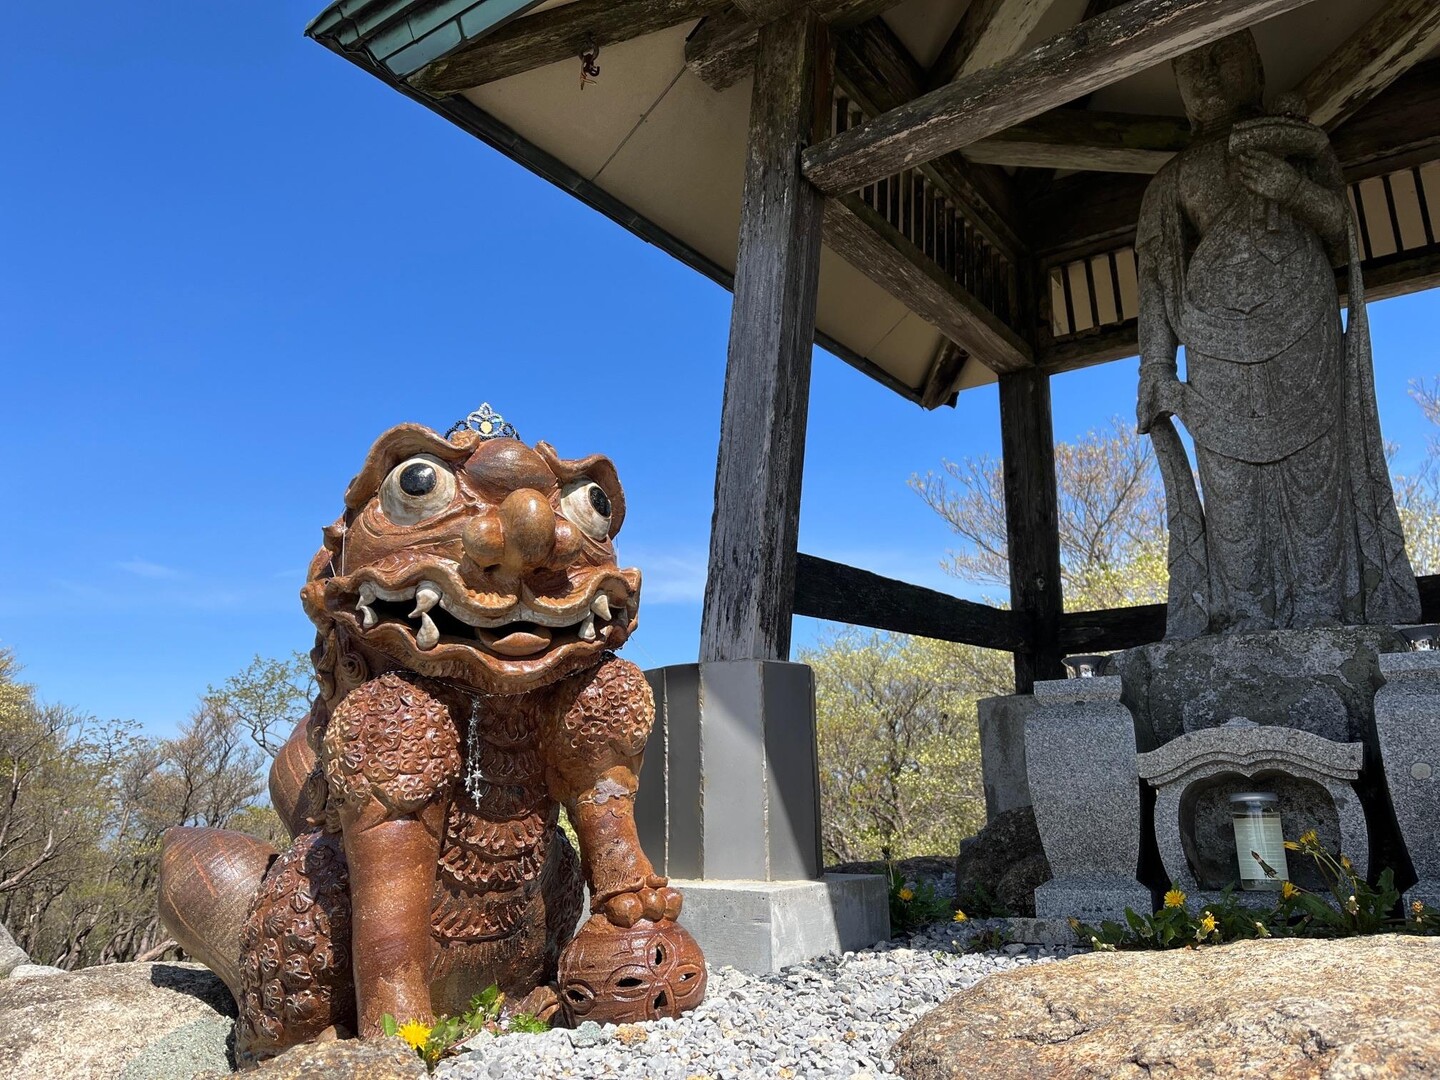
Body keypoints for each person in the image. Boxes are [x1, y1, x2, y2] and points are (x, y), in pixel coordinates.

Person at [1136, 31, 1418, 636]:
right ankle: (1245, 615)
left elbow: (1346, 235)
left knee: (1314, 470)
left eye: (1222, 57)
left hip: (1303, 320)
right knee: (1230, 482)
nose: (1207, 74)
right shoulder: (1175, 178)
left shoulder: (1296, 146)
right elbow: (1157, 278)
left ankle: (1326, 610)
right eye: (1191, 66)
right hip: (1211, 338)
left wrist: (1291, 189)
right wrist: (1156, 366)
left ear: (1255, 66)